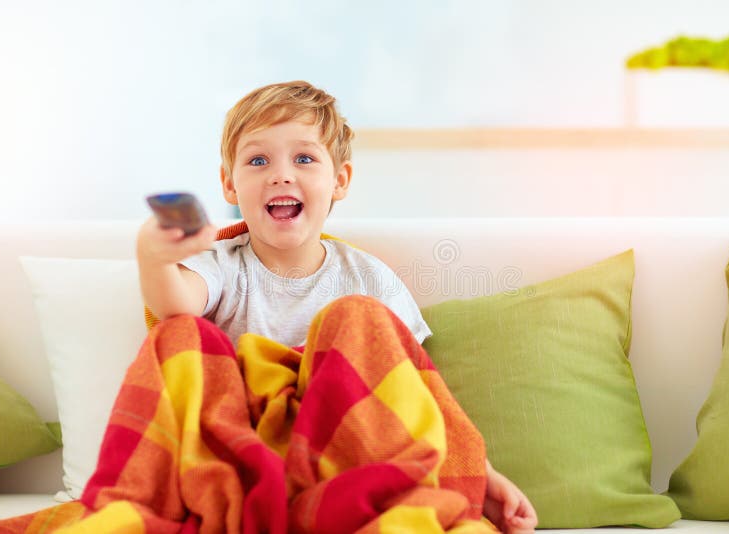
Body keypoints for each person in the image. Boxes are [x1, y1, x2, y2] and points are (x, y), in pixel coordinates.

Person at [136, 80, 538, 533]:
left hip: (347, 458)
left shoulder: (366, 278)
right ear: (230, 184)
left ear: (339, 180)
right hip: (256, 457)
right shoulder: (224, 266)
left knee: (357, 317)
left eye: (304, 158)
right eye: (258, 160)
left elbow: (411, 395)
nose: (281, 174)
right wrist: (155, 258)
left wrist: (482, 476)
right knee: (182, 337)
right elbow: (176, 307)